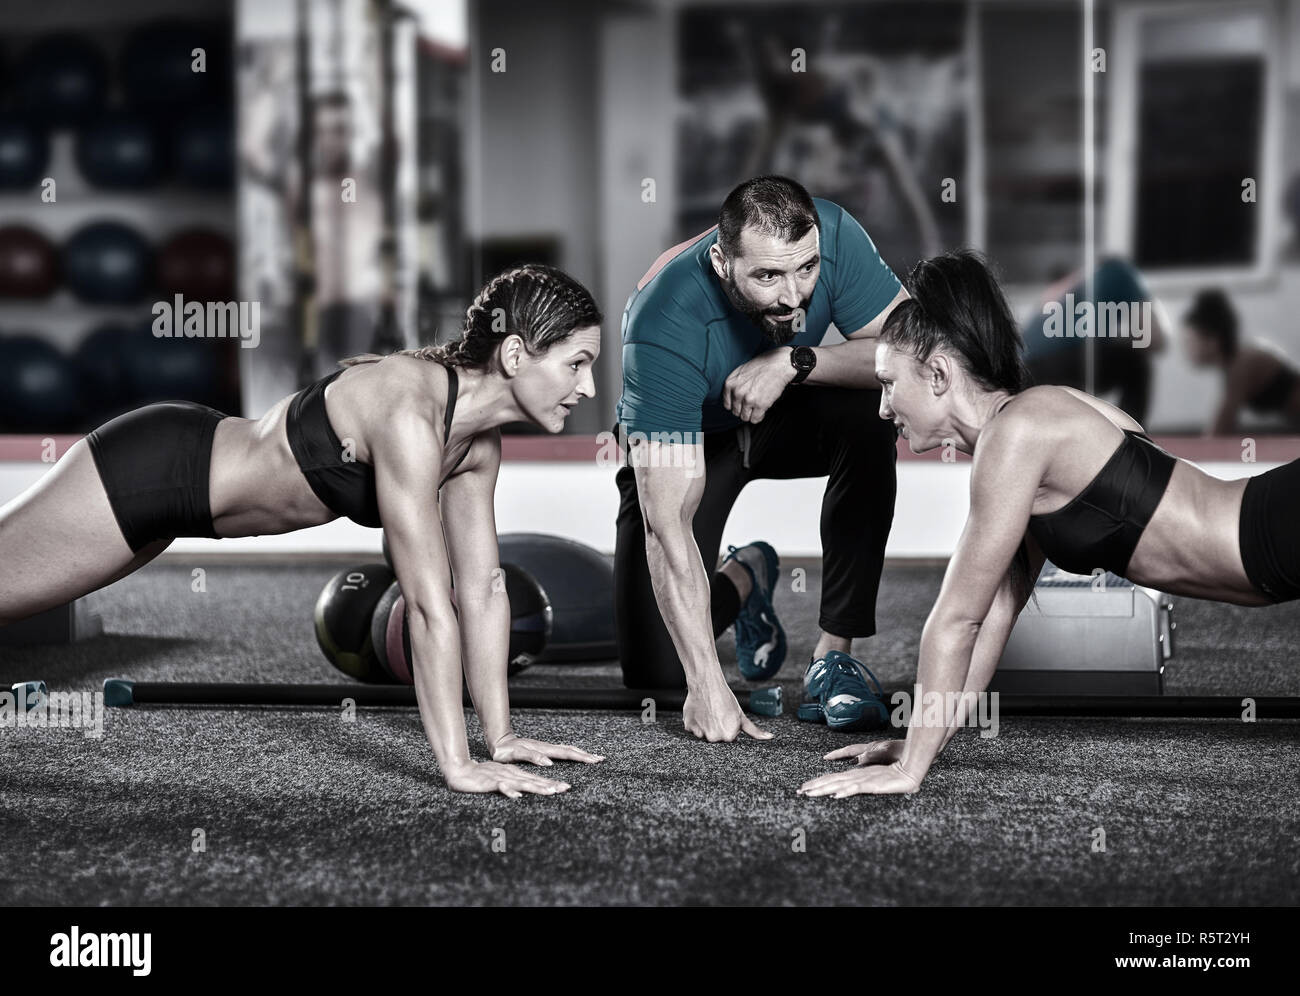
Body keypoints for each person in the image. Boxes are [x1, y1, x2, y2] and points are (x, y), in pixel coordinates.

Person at [0, 264, 607, 799]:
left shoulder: (476, 447)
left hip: (178, 511)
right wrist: (457, 763)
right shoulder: (408, 411)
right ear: (516, 355)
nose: (589, 388)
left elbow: (483, 589)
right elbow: (427, 606)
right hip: (150, 472)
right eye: (577, 364)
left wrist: (499, 738)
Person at [798, 250, 1295, 798]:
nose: (883, 408)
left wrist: (908, 771)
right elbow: (990, 621)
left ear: (938, 374)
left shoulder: (1019, 435)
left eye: (889, 384)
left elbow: (953, 621)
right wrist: (921, 744)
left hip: (1272, 528)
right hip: (1271, 543)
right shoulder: (1025, 436)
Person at [615, 175, 908, 743]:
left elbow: (906, 351)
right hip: (691, 435)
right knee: (657, 675)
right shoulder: (661, 322)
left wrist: (793, 361)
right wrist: (705, 683)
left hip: (781, 408)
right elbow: (666, 526)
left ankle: (834, 656)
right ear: (723, 264)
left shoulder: (835, 234)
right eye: (767, 276)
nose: (794, 296)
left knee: (872, 414)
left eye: (806, 270)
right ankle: (746, 575)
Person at [1022, 257, 1168, 425]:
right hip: (1066, 362)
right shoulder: (1120, 272)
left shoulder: (1066, 286)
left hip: (1026, 371)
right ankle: (1133, 441)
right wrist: (1119, 339)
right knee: (1138, 362)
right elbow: (1156, 338)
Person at [1182, 288, 1300, 434]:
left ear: (1213, 340)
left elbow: (1217, 431)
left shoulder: (1241, 365)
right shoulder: (1234, 364)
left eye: (1190, 341)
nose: (1185, 348)